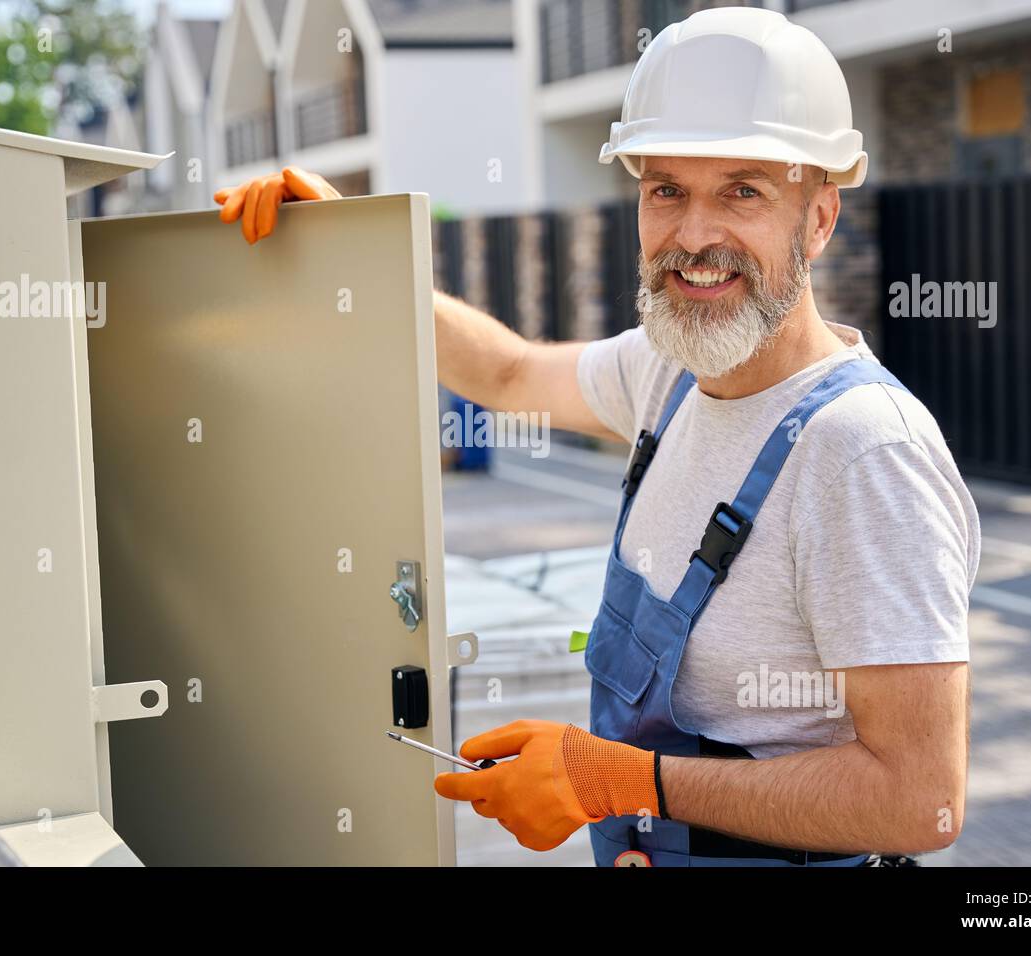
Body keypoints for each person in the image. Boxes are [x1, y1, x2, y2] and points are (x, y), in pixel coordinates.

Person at [214, 7, 978, 868]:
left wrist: (620, 783)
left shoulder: (863, 453)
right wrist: (353, 255)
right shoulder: (670, 371)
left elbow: (923, 801)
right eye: (667, 191)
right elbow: (506, 375)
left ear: (819, 218)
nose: (694, 237)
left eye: (744, 190)